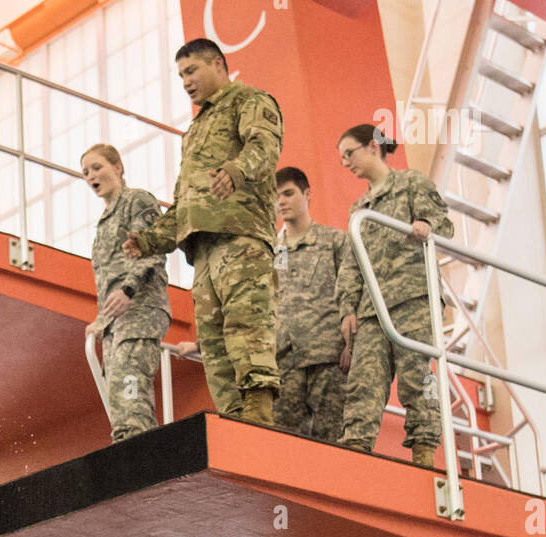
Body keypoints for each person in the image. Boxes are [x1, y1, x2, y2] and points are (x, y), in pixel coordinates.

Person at [123, 37, 283, 426]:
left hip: (241, 238)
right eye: (180, 75)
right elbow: (184, 205)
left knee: (247, 326)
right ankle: (236, 424)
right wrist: (148, 240)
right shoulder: (193, 132)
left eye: (191, 70)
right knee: (214, 344)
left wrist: (235, 170)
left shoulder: (249, 99)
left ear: (217, 64)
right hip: (205, 251)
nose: (186, 82)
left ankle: (259, 416)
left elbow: (266, 145)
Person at [335, 125, 454, 468]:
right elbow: (352, 263)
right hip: (372, 310)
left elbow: (444, 225)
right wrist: (347, 309)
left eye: (349, 153)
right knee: (362, 386)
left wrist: (426, 224)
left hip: (414, 298)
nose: (345, 163)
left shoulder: (411, 184)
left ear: (373, 147)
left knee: (418, 380)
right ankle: (355, 461)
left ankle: (424, 459)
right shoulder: (359, 208)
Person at [82, 144, 171, 442]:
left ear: (117, 167)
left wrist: (128, 290)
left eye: (97, 167)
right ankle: (130, 460)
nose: (91, 176)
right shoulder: (104, 222)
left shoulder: (137, 200)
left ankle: (142, 461)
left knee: (131, 393)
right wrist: (100, 320)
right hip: (114, 323)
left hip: (141, 310)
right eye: (85, 173)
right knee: (118, 402)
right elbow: (107, 278)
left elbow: (153, 250)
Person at [273, 167, 348, 443]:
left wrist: (351, 344)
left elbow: (356, 296)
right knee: (284, 445)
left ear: (307, 194)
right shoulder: (271, 250)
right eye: (277, 196)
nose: (281, 201)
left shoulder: (335, 241)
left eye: (289, 193)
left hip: (327, 356)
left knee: (333, 441)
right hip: (284, 360)